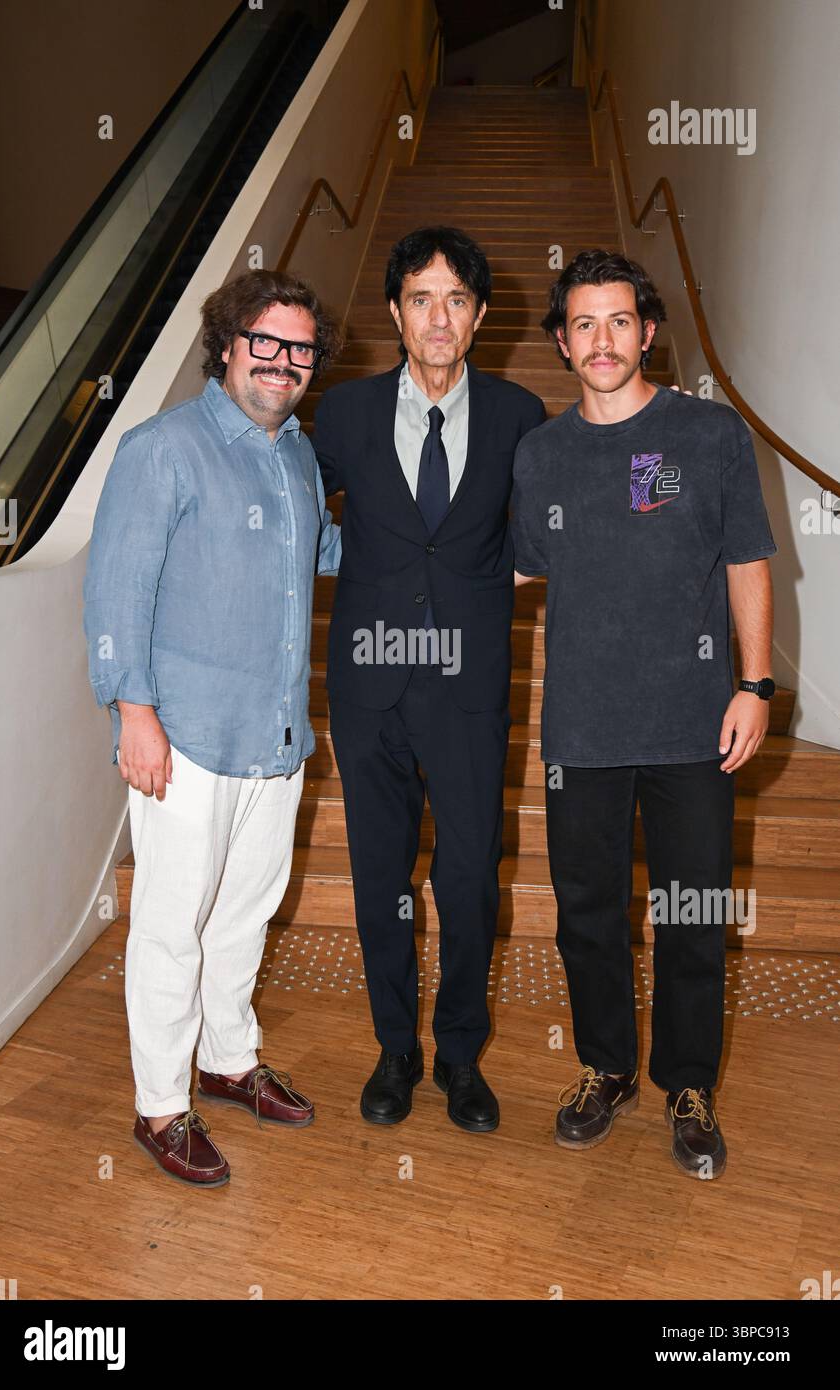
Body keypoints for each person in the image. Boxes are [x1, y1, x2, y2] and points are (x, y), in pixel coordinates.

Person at [511, 249, 776, 1179]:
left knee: (691, 911)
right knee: (587, 912)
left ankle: (689, 1084)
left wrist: (754, 686)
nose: (603, 339)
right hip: (582, 728)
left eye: (619, 320)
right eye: (584, 324)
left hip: (693, 724)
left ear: (648, 330)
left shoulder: (708, 435)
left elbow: (747, 558)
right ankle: (605, 1068)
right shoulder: (540, 453)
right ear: (561, 342)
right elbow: (513, 567)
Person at [83, 269, 342, 1186]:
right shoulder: (164, 448)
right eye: (264, 342)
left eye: (300, 348)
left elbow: (316, 557)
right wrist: (135, 712)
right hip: (184, 738)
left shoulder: (299, 454)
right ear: (228, 345)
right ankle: (162, 1105)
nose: (282, 362)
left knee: (245, 914)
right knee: (169, 925)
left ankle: (229, 1060)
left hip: (274, 740)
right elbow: (117, 589)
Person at [312, 226, 546, 1132]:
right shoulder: (343, 414)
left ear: (480, 316)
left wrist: (665, 451)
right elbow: (291, 506)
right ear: (397, 314)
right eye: (420, 298)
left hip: (467, 687)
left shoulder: (524, 414)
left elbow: (561, 526)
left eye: (455, 299)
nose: (437, 316)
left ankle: (459, 1057)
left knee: (470, 877)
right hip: (370, 689)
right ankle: (394, 1051)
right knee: (380, 873)